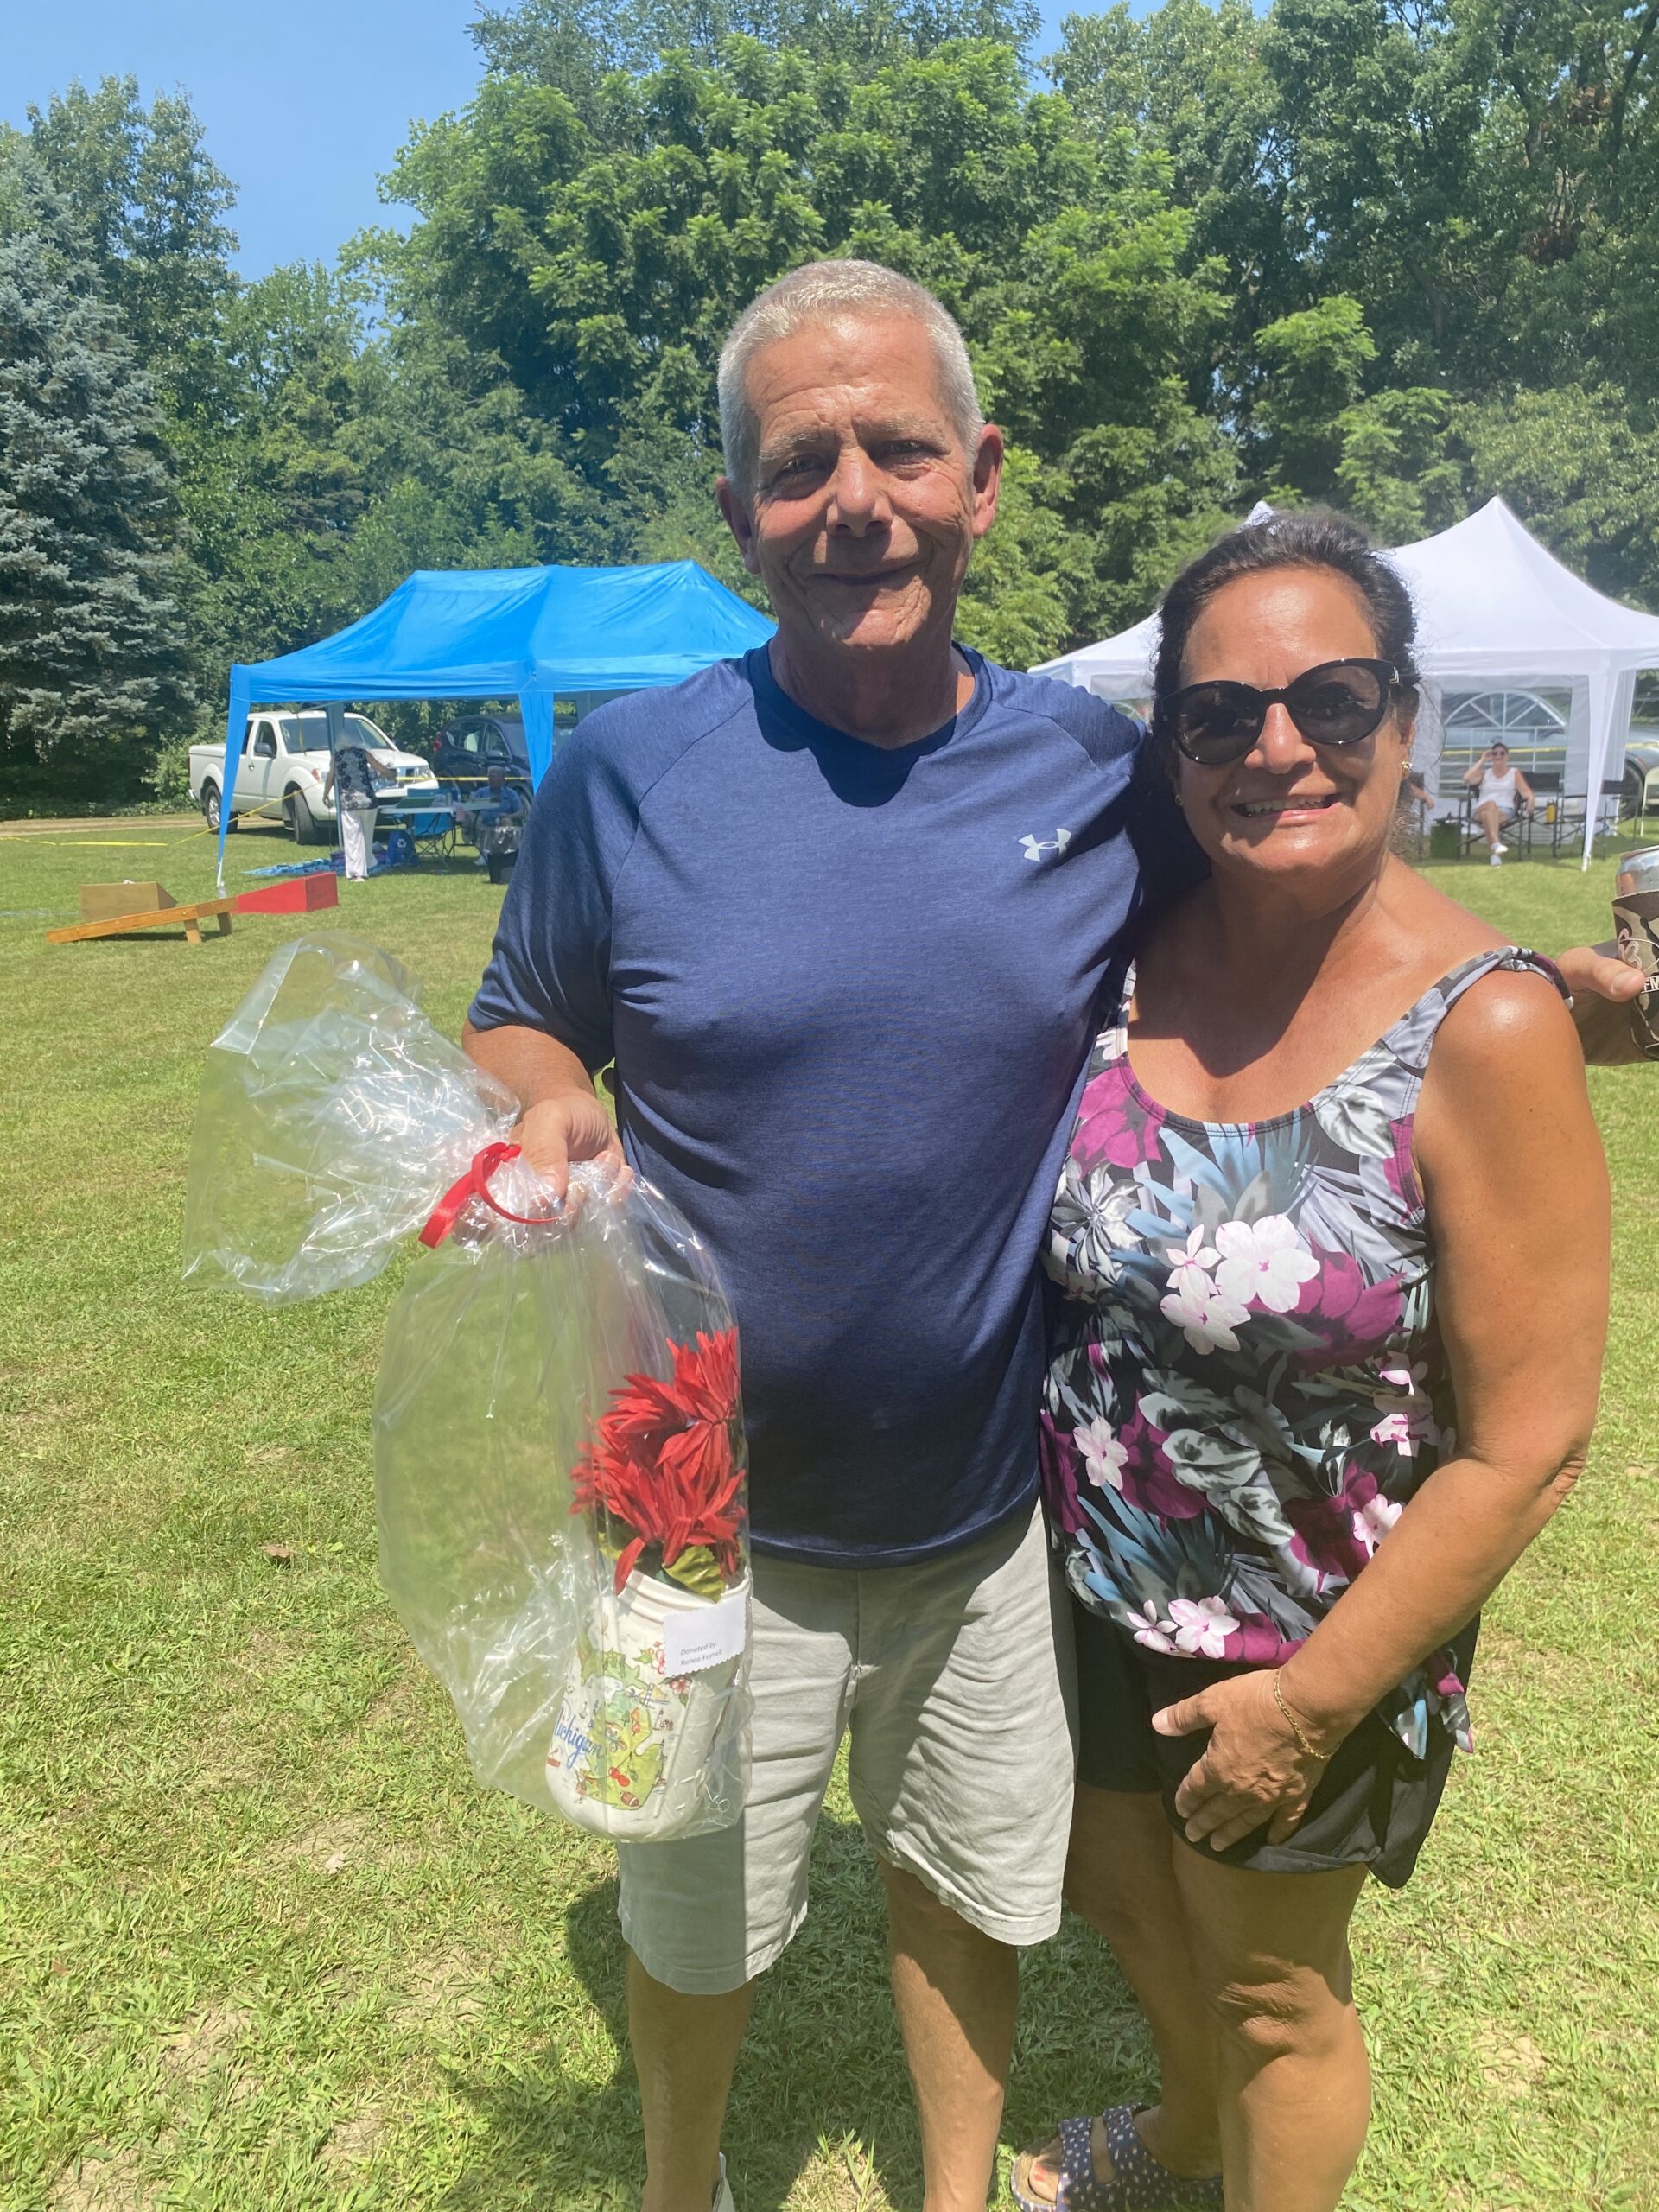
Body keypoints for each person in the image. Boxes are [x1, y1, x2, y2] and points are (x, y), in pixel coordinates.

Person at [461, 264, 1640, 2212]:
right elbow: (524, 1009)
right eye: (800, 464)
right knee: (691, 1897)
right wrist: (540, 1096)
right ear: (741, 508)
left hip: (992, 1510)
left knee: (973, 1881)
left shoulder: (1096, 775)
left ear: (983, 476)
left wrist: (1537, 995)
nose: (858, 500)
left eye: (902, 449)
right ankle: (681, 2185)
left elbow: (1319, 883)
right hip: (688, 1500)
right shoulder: (625, 776)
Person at [1015, 513, 1609, 2212]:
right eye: (1220, 717)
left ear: (1406, 721)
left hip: (1311, 1632)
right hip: (1096, 1584)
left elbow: (1530, 1444)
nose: (1277, 747)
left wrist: (1311, 1704)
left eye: (1331, 701)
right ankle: (1187, 2130)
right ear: (1173, 755)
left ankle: (1237, 2129)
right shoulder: (1127, 952)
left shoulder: (1487, 1025)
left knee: (1274, 1989)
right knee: (1118, 1891)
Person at [322, 735, 385, 880]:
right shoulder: (363, 753)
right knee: (367, 837)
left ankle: (357, 873)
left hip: (349, 803)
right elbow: (380, 768)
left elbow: (330, 778)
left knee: (353, 839)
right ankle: (369, 864)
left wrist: (325, 795)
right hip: (369, 801)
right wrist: (391, 775)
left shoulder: (336, 757)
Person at [1461, 740, 1534, 863]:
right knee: (1491, 805)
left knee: (1488, 815)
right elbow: (1466, 778)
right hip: (1480, 809)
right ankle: (1495, 844)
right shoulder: (1485, 774)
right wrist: (1482, 759)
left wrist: (1530, 800)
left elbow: (1526, 792)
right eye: (1495, 753)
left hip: (1504, 810)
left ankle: (1495, 854)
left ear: (1507, 757)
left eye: (1502, 753)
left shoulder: (1514, 773)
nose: (1498, 756)